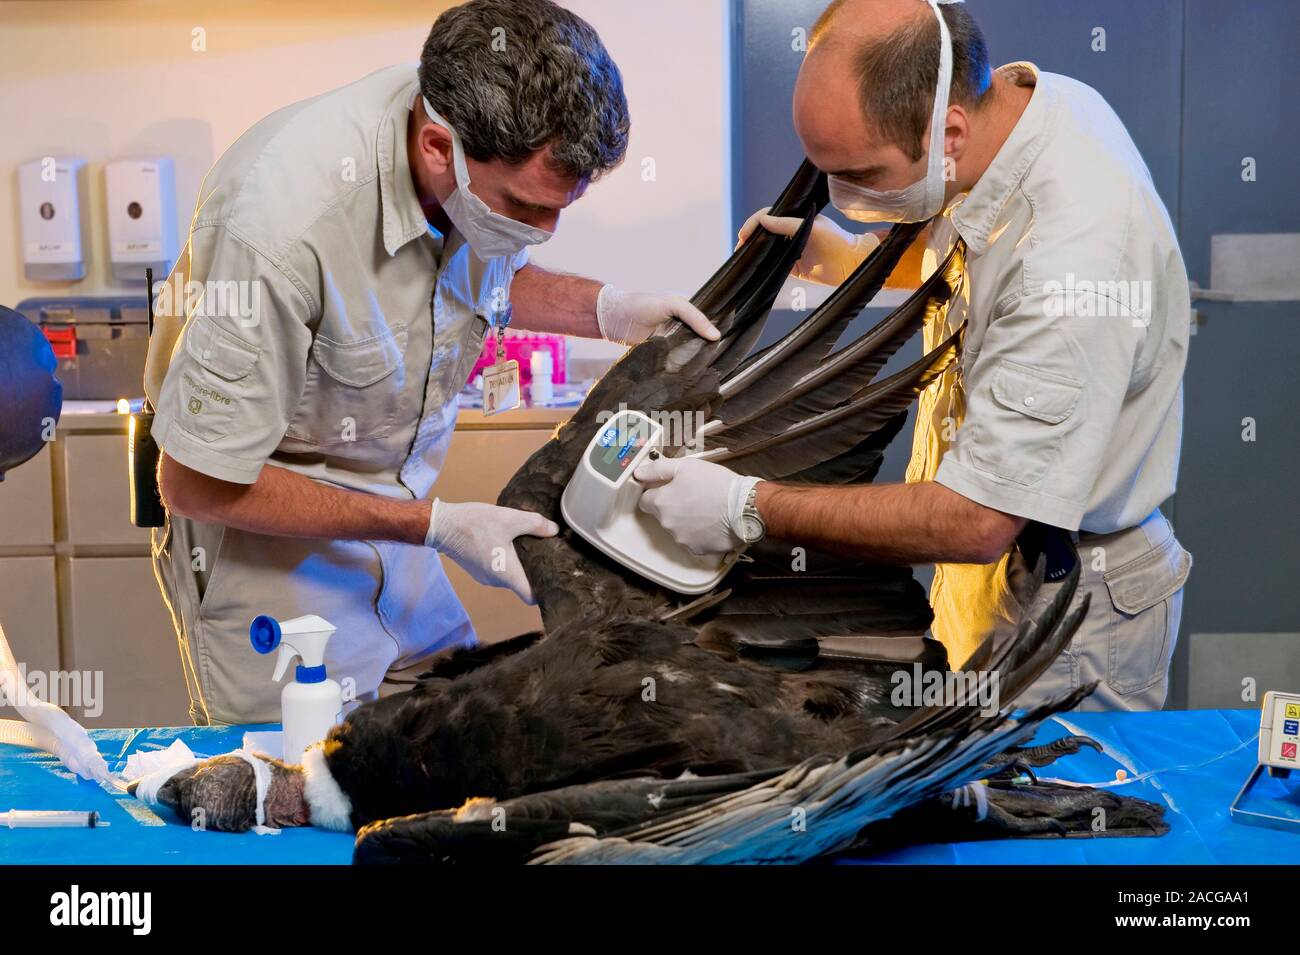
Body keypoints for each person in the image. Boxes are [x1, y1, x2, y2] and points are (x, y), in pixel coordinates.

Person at [144, 0, 719, 725]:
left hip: (402, 533)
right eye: (524, 209)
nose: (543, 234)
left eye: (561, 209)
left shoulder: (466, 142)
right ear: (439, 148)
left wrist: (609, 310)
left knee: (453, 741)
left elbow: (468, 281)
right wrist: (435, 526)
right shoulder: (278, 230)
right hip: (272, 558)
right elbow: (196, 482)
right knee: (305, 779)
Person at [636, 0, 1192, 710]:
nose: (839, 196)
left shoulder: (1069, 267)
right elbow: (982, 259)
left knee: (1048, 782)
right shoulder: (1023, 112)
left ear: (949, 132)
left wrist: (745, 504)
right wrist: (850, 259)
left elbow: (977, 519)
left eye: (860, 173)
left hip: (1063, 601)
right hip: (991, 567)